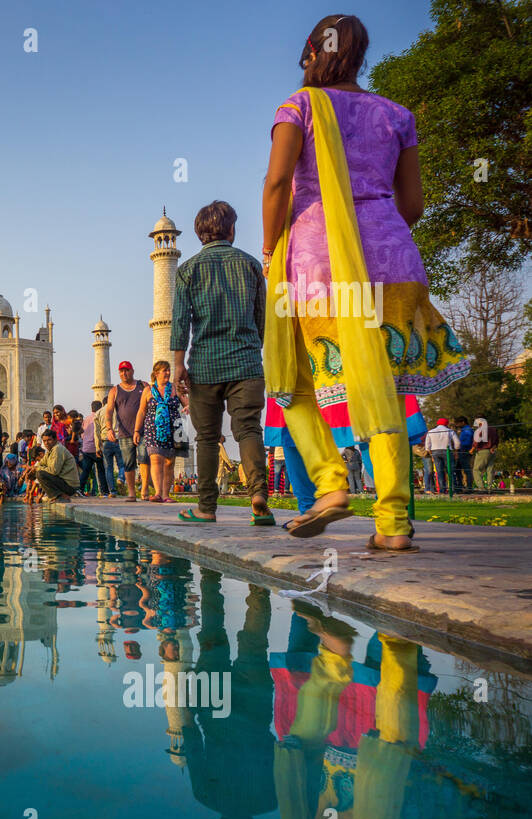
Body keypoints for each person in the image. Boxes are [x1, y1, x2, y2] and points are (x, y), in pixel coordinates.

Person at [262, 15, 470, 550]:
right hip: (394, 260)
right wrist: (377, 229)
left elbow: (279, 182)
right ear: (360, 56)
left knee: (297, 380)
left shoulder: (299, 106)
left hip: (318, 262)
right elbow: (414, 205)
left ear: (312, 52)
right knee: (388, 387)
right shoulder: (397, 115)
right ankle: (394, 524)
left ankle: (331, 484)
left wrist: (269, 249)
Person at [169, 200, 272, 525]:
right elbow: (261, 318)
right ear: (231, 229)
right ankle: (258, 495)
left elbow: (179, 321)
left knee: (208, 437)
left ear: (199, 234)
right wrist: (253, 350)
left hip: (205, 364)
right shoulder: (251, 265)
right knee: (249, 429)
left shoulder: (188, 269)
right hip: (246, 363)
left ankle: (206, 507)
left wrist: (177, 364)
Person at [134, 360, 183, 504]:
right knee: (155, 459)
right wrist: (137, 430)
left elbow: (186, 402)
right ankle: (158, 493)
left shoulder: (175, 388)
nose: (168, 373)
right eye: (164, 370)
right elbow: (142, 411)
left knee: (169, 462)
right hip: (153, 428)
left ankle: (166, 494)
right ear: (156, 373)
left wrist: (187, 407)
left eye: (168, 370)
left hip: (175, 427)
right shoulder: (148, 391)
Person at [106, 360, 148, 502]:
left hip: (144, 430)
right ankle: (131, 493)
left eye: (127, 370)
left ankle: (144, 490)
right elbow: (109, 410)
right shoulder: (115, 390)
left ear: (132, 371)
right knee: (129, 463)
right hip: (124, 432)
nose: (124, 373)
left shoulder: (143, 386)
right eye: (121, 371)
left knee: (144, 459)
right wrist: (109, 428)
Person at [27, 430, 80, 501]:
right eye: (44, 441)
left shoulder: (57, 449)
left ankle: (59, 496)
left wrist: (37, 468)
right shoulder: (50, 451)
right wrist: (31, 469)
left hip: (70, 486)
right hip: (63, 483)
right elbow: (41, 463)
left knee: (40, 473)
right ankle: (58, 495)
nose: (46, 443)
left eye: (49, 440)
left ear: (55, 439)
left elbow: (54, 471)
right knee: (38, 472)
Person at [78, 400, 109, 496]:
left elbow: (82, 433)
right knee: (101, 470)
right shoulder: (99, 417)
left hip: (86, 448)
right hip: (96, 447)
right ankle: (104, 491)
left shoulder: (86, 419)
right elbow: (97, 433)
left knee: (86, 471)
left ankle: (80, 489)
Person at [423, 418, 459, 495]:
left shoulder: (431, 432)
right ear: (447, 424)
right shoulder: (450, 431)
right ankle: (453, 489)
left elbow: (427, 446)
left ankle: (442, 490)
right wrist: (456, 451)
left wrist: (431, 454)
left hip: (435, 452)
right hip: (447, 451)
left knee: (439, 471)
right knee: (450, 470)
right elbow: (457, 443)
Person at [472, 417, 498, 492]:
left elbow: (477, 441)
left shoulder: (480, 430)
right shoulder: (493, 430)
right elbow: (497, 441)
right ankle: (490, 488)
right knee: (490, 470)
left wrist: (472, 449)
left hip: (482, 451)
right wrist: (493, 447)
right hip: (492, 451)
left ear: (480, 423)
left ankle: (481, 488)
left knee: (476, 470)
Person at [454, 416, 474, 494]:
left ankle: (469, 487)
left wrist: (461, 446)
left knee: (466, 469)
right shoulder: (463, 430)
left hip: (464, 451)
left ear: (463, 422)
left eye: (458, 423)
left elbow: (468, 442)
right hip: (460, 451)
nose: (457, 425)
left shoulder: (468, 430)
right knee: (457, 469)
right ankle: (460, 486)